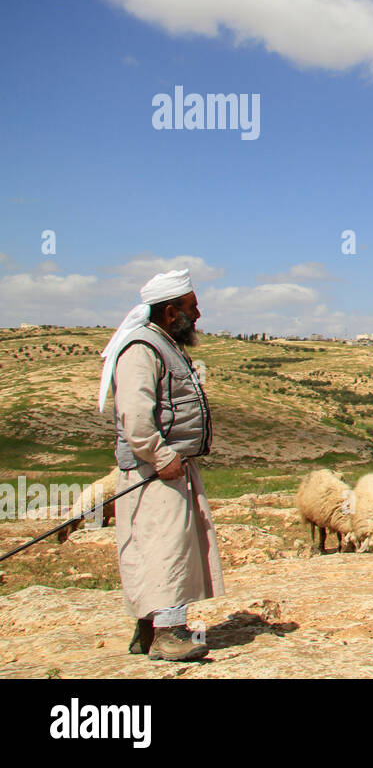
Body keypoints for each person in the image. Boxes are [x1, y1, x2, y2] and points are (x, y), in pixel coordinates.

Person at [98, 268, 223, 661]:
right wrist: (162, 455)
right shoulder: (143, 349)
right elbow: (134, 415)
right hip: (155, 471)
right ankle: (169, 633)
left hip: (169, 468)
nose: (199, 315)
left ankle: (148, 633)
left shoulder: (163, 344)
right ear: (171, 313)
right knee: (165, 547)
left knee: (166, 546)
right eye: (192, 307)